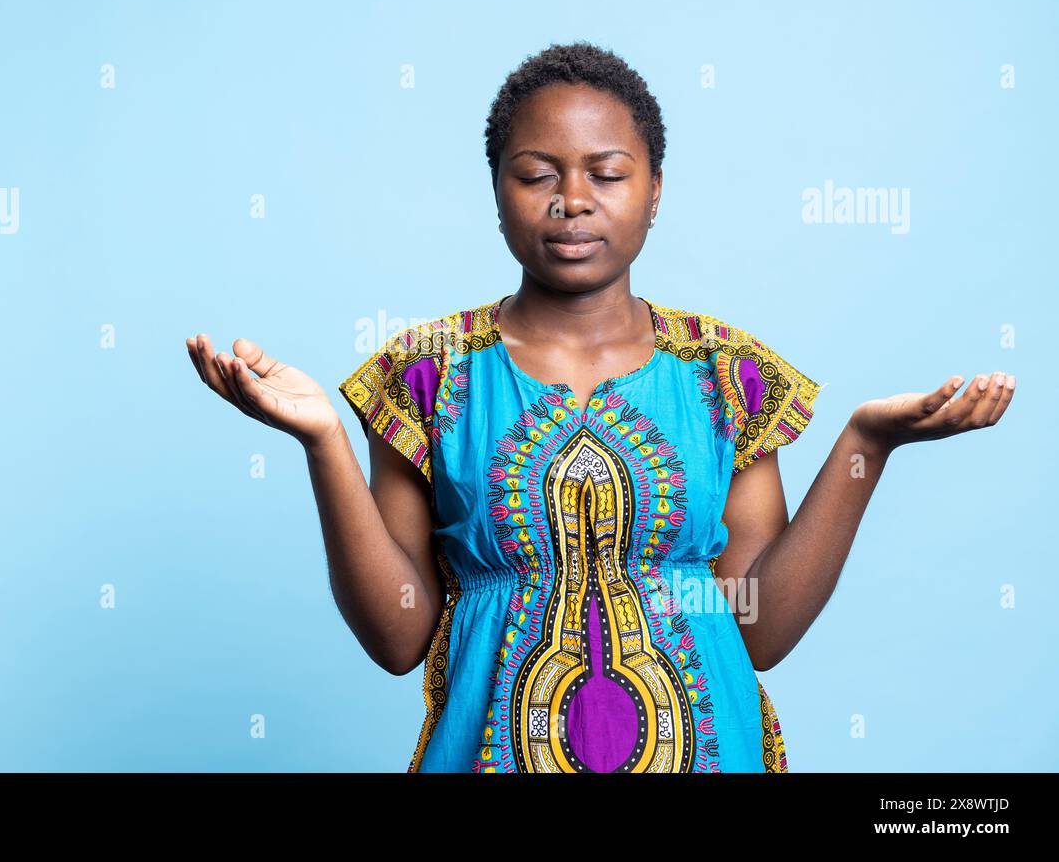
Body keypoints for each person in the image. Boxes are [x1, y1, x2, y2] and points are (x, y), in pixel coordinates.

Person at [186, 41, 1016, 773]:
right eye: (536, 174)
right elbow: (399, 639)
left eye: (607, 173)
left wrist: (868, 443)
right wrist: (323, 441)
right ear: (498, 191)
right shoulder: (427, 376)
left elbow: (756, 629)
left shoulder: (727, 375)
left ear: (654, 191)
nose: (571, 199)